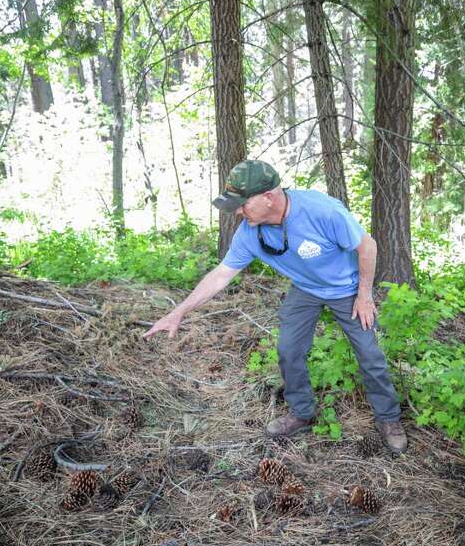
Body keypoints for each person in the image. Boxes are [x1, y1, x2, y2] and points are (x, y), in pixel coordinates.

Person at [143, 159, 408, 453]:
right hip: (305, 289)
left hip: (347, 289)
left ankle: (389, 419)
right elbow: (220, 275)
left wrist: (364, 295)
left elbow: (367, 246)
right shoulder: (249, 233)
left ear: (269, 196)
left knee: (369, 354)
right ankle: (302, 413)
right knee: (288, 350)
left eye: (243, 204)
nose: (239, 212)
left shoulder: (321, 210)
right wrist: (178, 312)